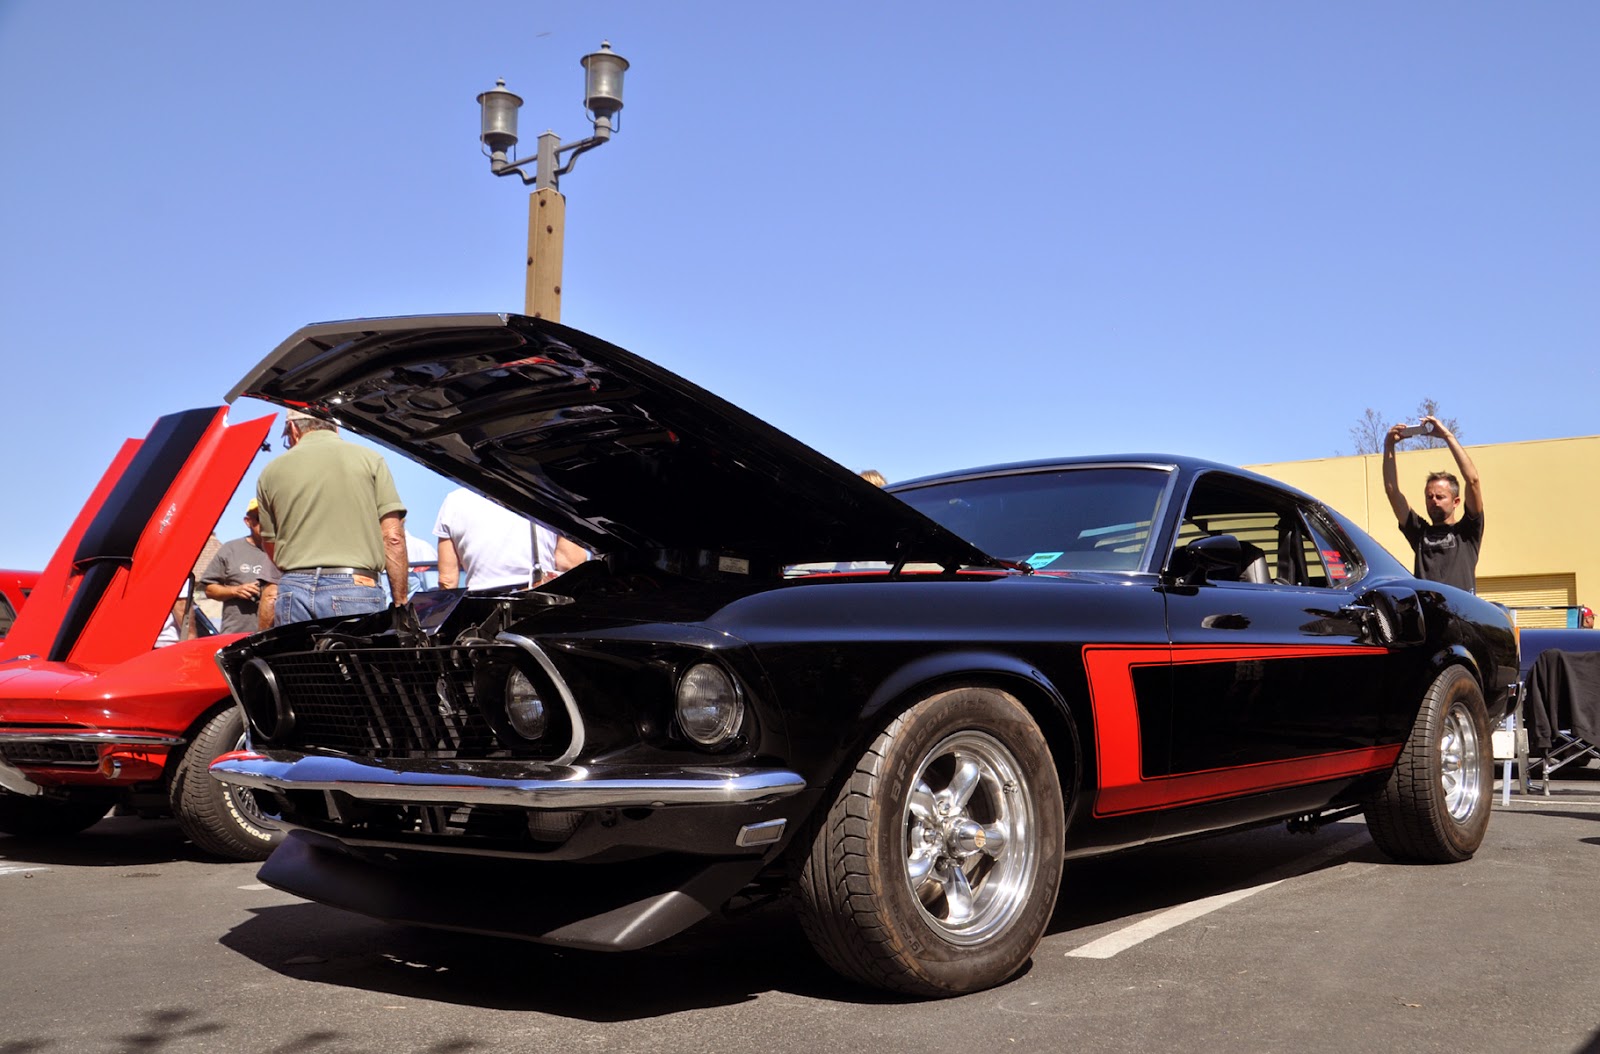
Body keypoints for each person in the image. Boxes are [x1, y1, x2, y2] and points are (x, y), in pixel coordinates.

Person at [255, 409, 408, 628]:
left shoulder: (270, 472)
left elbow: (270, 544)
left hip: (293, 590)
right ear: (336, 427)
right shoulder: (370, 459)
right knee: (358, 652)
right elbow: (393, 537)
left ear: (293, 429)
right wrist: (401, 603)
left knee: (298, 652)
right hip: (355, 586)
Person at [1382, 416, 1485, 592]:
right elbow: (1392, 491)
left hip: (1459, 609)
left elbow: (1473, 480)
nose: (1434, 501)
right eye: (1429, 497)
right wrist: (1388, 446)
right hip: (1426, 609)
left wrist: (1447, 436)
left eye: (1440, 496)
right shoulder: (1419, 532)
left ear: (1456, 502)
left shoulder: (1467, 532)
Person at [432, 487, 587, 590]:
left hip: (478, 609)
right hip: (534, 601)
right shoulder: (547, 495)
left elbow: (447, 580)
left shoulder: (454, 501)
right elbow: (568, 562)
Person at [198, 498, 281, 635]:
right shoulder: (231, 549)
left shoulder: (284, 551)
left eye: (270, 518)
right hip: (236, 635)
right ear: (247, 521)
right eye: (259, 518)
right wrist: (235, 591)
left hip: (276, 635)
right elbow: (209, 589)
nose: (266, 523)